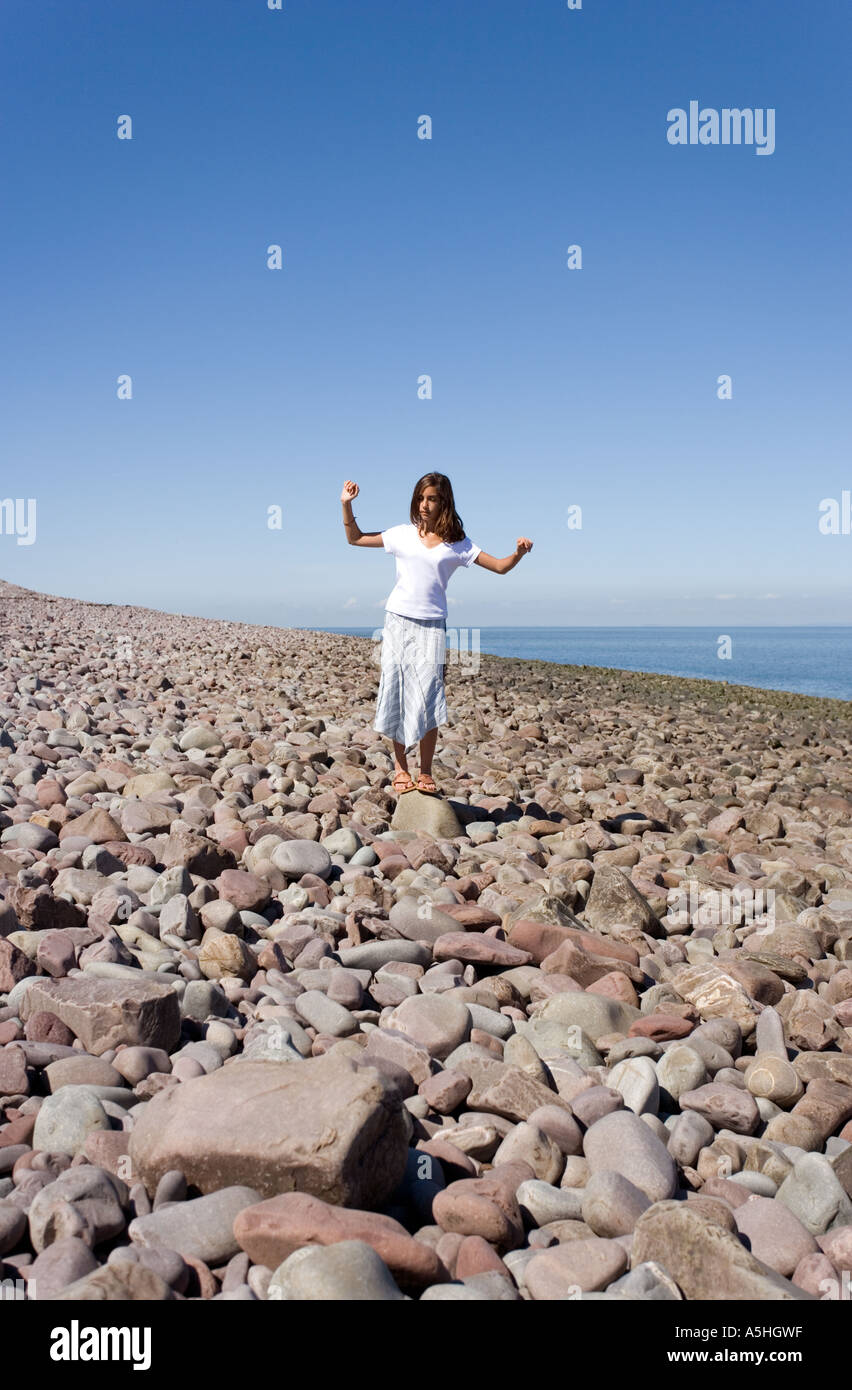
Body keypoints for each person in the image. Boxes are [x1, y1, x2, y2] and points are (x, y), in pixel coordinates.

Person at [341, 472, 533, 796]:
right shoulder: (402, 535)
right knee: (396, 692)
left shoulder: (457, 544)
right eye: (420, 498)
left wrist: (518, 553)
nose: (425, 504)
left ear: (444, 501)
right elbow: (355, 538)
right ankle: (401, 769)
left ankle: (425, 770)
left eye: (431, 498)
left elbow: (500, 566)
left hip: (432, 625)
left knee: (430, 696)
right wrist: (346, 505)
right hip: (398, 620)